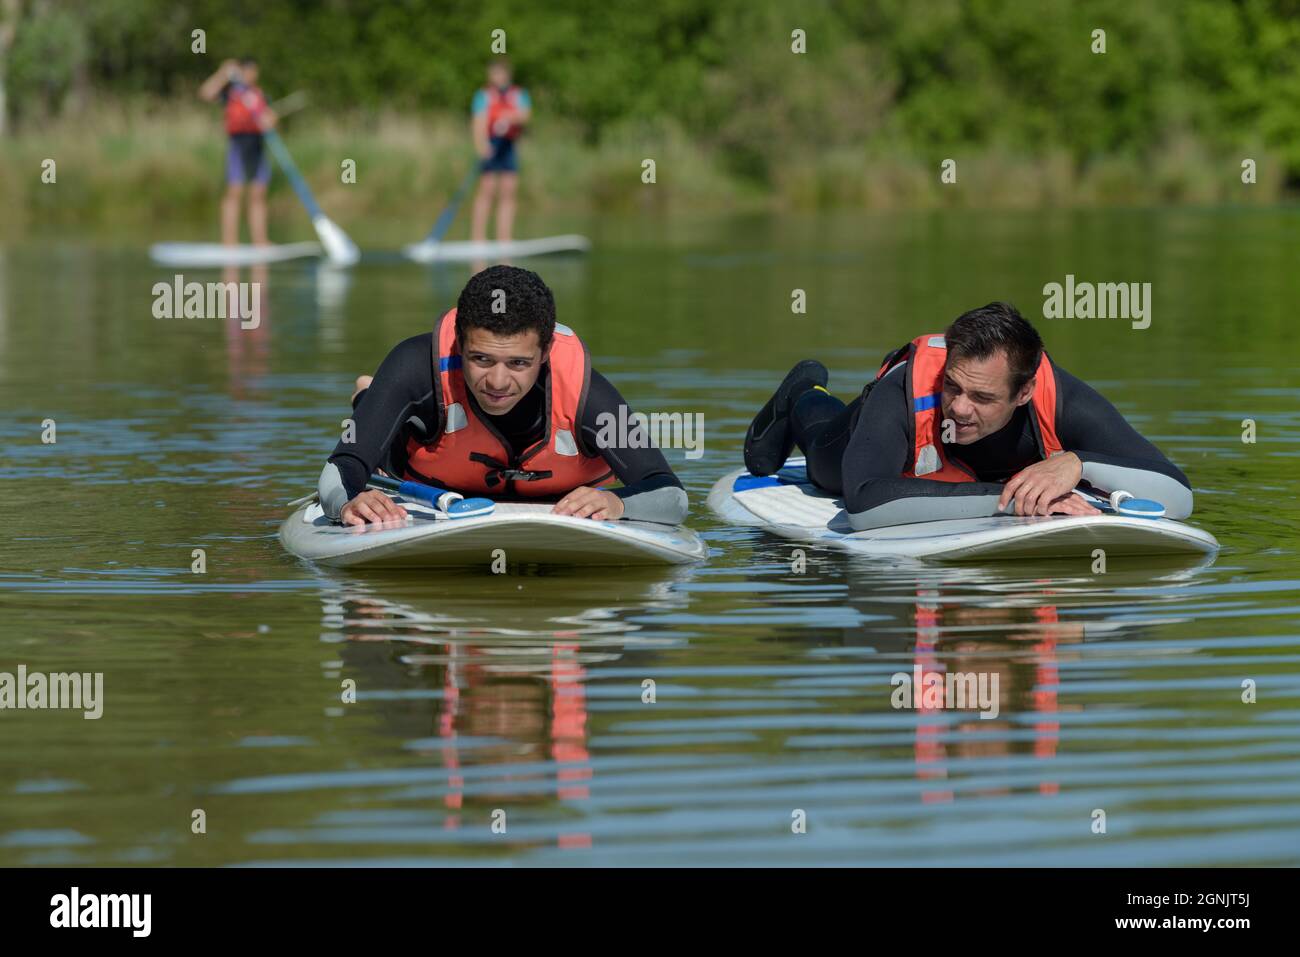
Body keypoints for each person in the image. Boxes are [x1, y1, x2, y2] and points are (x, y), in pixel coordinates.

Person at [742, 302, 1194, 529]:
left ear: (1023, 391)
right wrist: (1016, 499)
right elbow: (863, 500)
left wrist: (1077, 463)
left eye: (981, 396)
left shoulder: (1064, 401)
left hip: (972, 479)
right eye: (953, 386)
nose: (958, 407)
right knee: (825, 462)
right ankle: (802, 394)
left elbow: (1176, 492)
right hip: (865, 446)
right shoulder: (905, 389)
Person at [317, 265, 688, 527]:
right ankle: (370, 397)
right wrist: (349, 501)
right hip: (424, 481)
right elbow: (341, 468)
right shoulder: (413, 366)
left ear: (544, 354)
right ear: (460, 345)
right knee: (376, 420)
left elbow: (670, 493)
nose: (497, 381)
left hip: (553, 497)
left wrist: (617, 502)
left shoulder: (587, 395)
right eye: (481, 359)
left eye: (518, 363)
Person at [198, 57, 277, 246]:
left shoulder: (258, 94)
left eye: (254, 71)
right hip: (238, 144)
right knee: (235, 191)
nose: (252, 75)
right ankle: (229, 242)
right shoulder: (230, 91)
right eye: (248, 71)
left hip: (257, 144)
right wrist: (223, 73)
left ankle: (260, 241)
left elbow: (270, 117)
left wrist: (271, 121)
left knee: (258, 192)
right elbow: (205, 93)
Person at [469, 58, 531, 245]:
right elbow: (478, 123)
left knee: (508, 190)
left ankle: (504, 238)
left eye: (500, 73)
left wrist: (509, 117)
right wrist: (481, 145)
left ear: (507, 75)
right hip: (490, 145)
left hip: (508, 146)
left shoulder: (519, 94)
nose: (497, 77)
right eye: (493, 73)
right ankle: (478, 239)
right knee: (487, 189)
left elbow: (525, 116)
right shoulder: (483, 96)